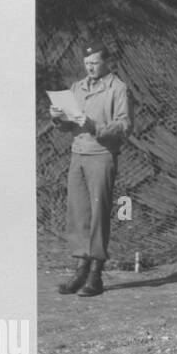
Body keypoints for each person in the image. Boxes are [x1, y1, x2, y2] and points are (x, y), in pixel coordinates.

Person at [50, 41, 132, 298]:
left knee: (99, 213)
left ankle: (96, 273)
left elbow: (124, 125)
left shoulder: (118, 88)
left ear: (106, 63)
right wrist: (57, 117)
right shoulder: (77, 87)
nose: (90, 68)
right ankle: (80, 269)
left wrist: (95, 126)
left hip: (102, 155)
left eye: (95, 63)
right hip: (78, 153)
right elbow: (67, 125)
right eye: (87, 64)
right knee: (78, 213)